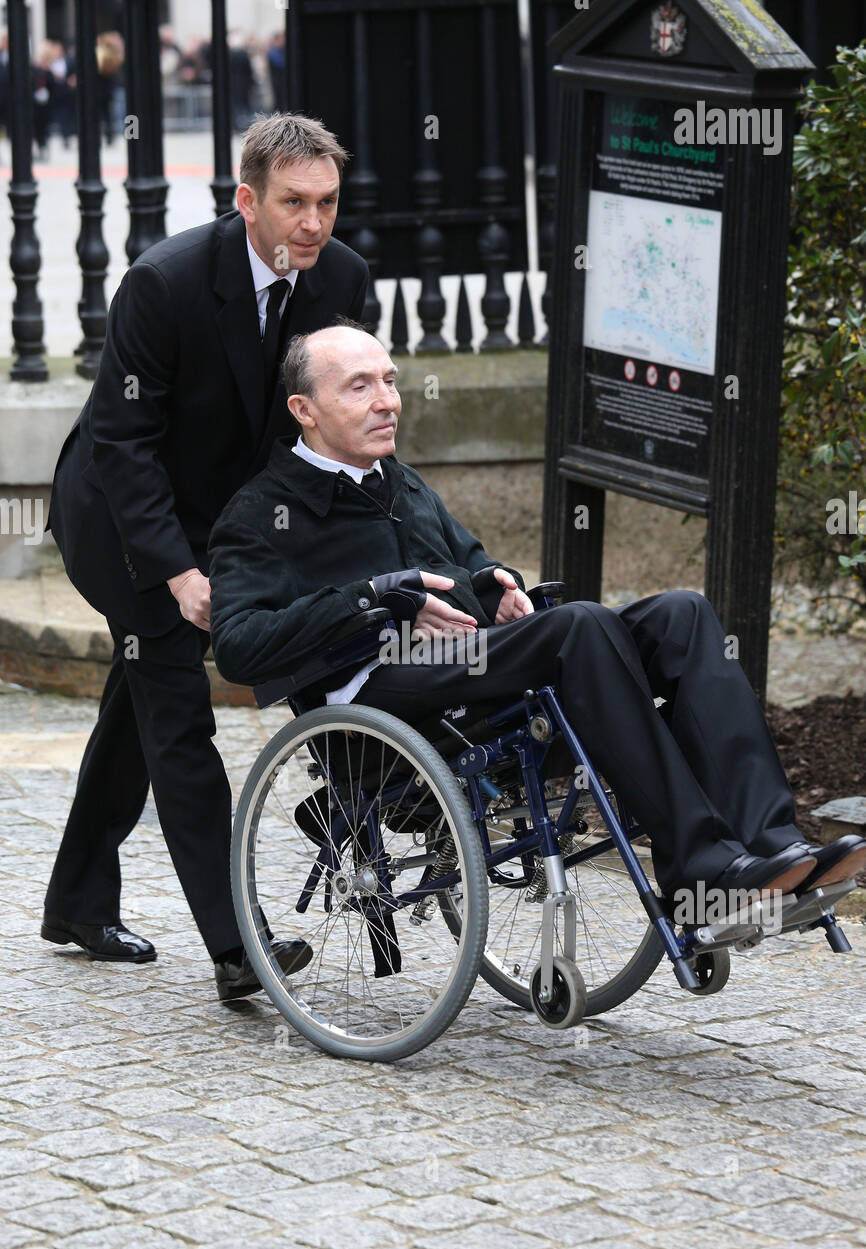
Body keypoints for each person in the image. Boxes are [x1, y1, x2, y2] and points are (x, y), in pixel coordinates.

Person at [207, 324, 866, 914]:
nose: (388, 400)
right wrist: (374, 595)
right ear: (306, 410)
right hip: (385, 698)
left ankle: (776, 843)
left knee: (683, 616)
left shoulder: (397, 481)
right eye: (360, 387)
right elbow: (238, 650)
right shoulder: (260, 512)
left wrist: (498, 583)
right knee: (580, 626)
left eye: (390, 381)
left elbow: (473, 564)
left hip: (471, 668)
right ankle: (702, 867)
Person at [44, 114, 369, 1004]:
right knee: (178, 709)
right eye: (293, 203)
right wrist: (180, 574)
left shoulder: (341, 279)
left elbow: (323, 426)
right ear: (247, 201)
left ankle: (75, 902)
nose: (313, 222)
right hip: (125, 523)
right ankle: (240, 949)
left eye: (327, 202)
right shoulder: (164, 283)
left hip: (225, 519)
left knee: (140, 698)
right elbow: (122, 444)